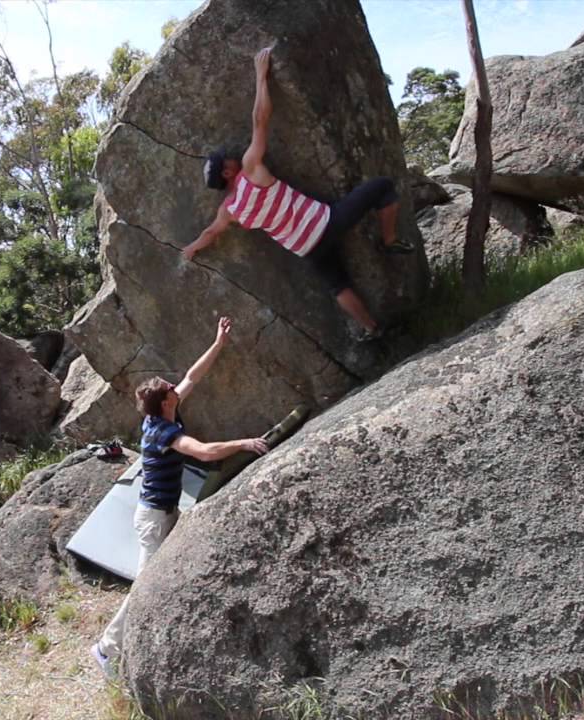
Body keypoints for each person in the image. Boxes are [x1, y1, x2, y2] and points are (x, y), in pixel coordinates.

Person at [183, 46, 414, 340]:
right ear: (227, 173)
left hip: (307, 249)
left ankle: (373, 329)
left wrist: (192, 248)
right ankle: (390, 240)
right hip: (326, 222)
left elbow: (212, 232)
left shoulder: (229, 210)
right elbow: (260, 121)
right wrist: (260, 76)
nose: (229, 157)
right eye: (225, 161)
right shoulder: (251, 170)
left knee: (339, 286)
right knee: (383, 187)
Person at [91, 316, 269, 676]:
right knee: (144, 588)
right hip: (155, 519)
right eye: (170, 388)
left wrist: (218, 342)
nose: (176, 386)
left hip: (165, 512)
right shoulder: (163, 432)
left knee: (159, 581)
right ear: (166, 402)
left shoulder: (163, 411)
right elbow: (202, 452)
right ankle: (106, 649)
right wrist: (244, 444)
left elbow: (192, 376)